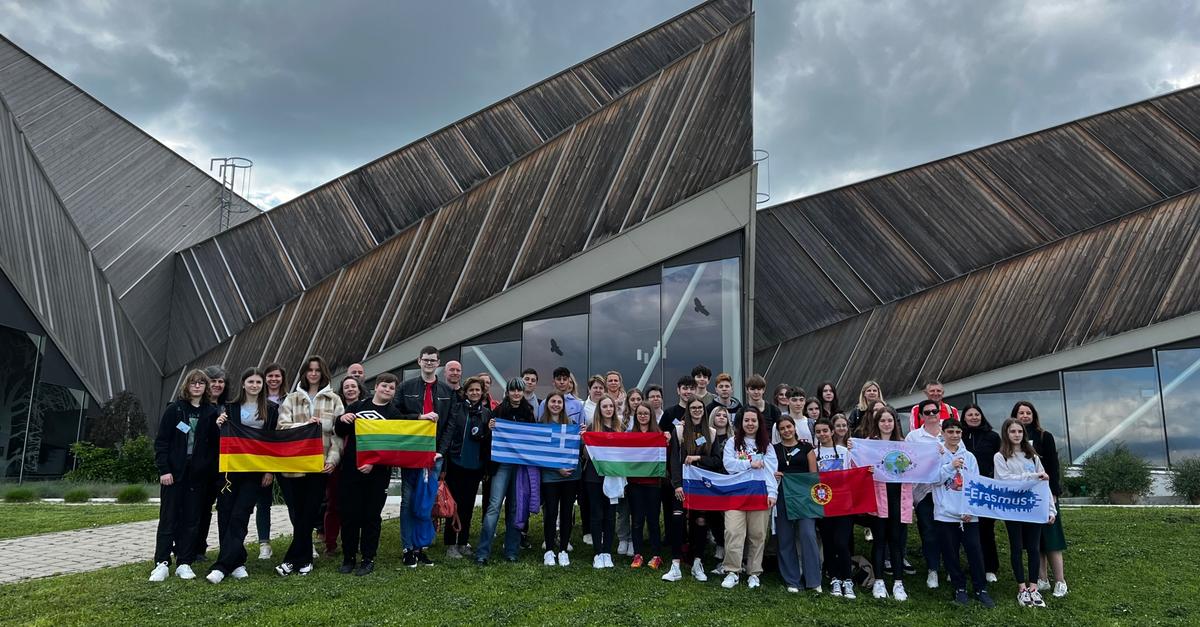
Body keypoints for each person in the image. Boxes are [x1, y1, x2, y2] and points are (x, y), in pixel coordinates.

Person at [274, 355, 344, 577]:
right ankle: (302, 559)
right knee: (299, 511)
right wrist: (306, 424)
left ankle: (293, 559)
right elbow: (282, 427)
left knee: (310, 510)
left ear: (323, 373)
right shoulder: (292, 399)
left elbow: (338, 435)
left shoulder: (334, 399)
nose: (313, 374)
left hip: (319, 464)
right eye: (309, 370)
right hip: (295, 463)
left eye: (317, 370)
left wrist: (332, 460)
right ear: (304, 372)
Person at [207, 368, 278, 583]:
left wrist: (269, 470)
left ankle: (221, 566)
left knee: (241, 514)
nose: (254, 385)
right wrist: (217, 425)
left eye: (258, 382)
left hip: (255, 471)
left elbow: (273, 441)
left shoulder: (271, 409)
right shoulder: (230, 407)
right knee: (226, 514)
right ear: (243, 384)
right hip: (230, 469)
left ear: (262, 385)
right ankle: (237, 562)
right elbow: (217, 438)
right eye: (250, 381)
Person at [149, 369, 218, 582]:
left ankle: (184, 561)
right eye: (193, 383)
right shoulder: (175, 410)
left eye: (201, 383)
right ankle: (162, 562)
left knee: (191, 519)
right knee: (169, 517)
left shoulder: (211, 412)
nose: (197, 386)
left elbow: (214, 445)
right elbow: (162, 442)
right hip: (174, 474)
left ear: (206, 387)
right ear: (187, 386)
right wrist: (164, 469)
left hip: (198, 476)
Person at [332, 374, 404, 576]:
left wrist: (374, 462)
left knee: (371, 517)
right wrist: (342, 418)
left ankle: (367, 558)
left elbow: (394, 446)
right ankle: (348, 558)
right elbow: (340, 430)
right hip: (351, 471)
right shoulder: (357, 407)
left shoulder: (393, 414)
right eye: (384, 386)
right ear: (376, 387)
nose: (387, 390)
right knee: (349, 516)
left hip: (377, 474)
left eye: (391, 387)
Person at [394, 346, 455, 567]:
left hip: (435, 456)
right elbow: (396, 416)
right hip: (412, 453)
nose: (429, 363)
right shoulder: (406, 387)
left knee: (426, 501)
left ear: (438, 363)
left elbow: (450, 424)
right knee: (408, 501)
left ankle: (420, 547)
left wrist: (442, 450)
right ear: (419, 361)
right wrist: (419, 417)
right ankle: (407, 548)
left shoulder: (447, 391)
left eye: (433, 360)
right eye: (425, 360)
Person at [994, 418, 1056, 608]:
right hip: (1013, 509)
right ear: (1006, 433)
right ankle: (1022, 588)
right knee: (1016, 546)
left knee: (1033, 548)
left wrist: (1050, 509)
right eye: (1013, 431)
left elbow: (1044, 483)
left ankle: (1034, 587)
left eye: (1019, 432)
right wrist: (1031, 476)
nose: (1016, 435)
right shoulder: (1001, 456)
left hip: (1033, 509)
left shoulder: (1033, 457)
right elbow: (1005, 481)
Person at [934, 419, 995, 608]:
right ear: (943, 433)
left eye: (958, 432)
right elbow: (933, 480)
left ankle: (980, 589)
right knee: (950, 553)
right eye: (950, 432)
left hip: (968, 514)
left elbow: (975, 483)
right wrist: (950, 466)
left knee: (975, 551)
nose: (954, 435)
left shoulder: (969, 456)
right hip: (945, 513)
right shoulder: (937, 454)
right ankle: (959, 587)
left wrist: (970, 509)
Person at [476, 378, 536, 565]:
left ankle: (511, 550)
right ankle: (483, 552)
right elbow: (487, 441)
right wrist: (490, 428)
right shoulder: (499, 410)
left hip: (520, 467)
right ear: (508, 392)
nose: (516, 394)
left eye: (519, 390)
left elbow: (533, 437)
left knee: (515, 508)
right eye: (513, 390)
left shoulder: (528, 412)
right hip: (501, 465)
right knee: (494, 507)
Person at [1013, 401, 1068, 598]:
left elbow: (1053, 465)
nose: (1025, 416)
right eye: (1021, 413)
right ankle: (1042, 578)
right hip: (1026, 498)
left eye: (1028, 412)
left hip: (1045, 494)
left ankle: (1060, 580)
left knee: (1052, 537)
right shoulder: (1013, 440)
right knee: (1035, 539)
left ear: (1034, 415)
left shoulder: (1045, 436)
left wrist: (1053, 493)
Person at [719, 406, 777, 589]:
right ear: (741, 422)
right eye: (747, 420)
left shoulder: (767, 446)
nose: (750, 424)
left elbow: (770, 471)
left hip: (760, 495)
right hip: (736, 493)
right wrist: (750, 464)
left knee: (757, 535)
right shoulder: (732, 443)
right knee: (733, 532)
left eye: (754, 420)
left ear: (759, 423)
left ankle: (754, 573)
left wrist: (772, 493)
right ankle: (732, 571)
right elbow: (728, 464)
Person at [664, 397, 715, 583]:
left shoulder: (711, 433)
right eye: (693, 407)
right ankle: (675, 564)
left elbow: (716, 460)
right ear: (688, 410)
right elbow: (674, 461)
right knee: (677, 520)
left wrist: (697, 458)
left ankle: (697, 563)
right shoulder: (678, 431)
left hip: (701, 486)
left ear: (704, 410)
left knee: (700, 522)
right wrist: (677, 484)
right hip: (681, 485)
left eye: (699, 407)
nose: (696, 410)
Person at [865, 407, 913, 601]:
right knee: (879, 541)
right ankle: (878, 581)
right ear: (877, 423)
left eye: (890, 420)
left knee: (896, 541)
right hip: (878, 499)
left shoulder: (904, 445)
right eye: (882, 420)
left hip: (899, 498)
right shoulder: (868, 445)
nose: (886, 424)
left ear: (895, 423)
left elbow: (918, 467)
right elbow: (856, 467)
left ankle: (898, 583)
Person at [442, 377, 491, 559]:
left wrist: (489, 430)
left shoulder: (486, 413)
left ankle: (463, 542)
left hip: (475, 466)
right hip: (456, 463)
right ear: (466, 391)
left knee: (468, 506)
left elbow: (487, 442)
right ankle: (450, 544)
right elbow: (449, 433)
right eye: (471, 390)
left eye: (478, 390)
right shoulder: (457, 409)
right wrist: (444, 459)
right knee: (453, 505)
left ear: (482, 392)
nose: (475, 393)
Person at [773, 415, 822, 594]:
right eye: (782, 428)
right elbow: (770, 470)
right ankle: (792, 580)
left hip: (804, 497)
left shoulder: (806, 447)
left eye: (789, 427)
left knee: (808, 535)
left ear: (794, 427)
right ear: (778, 432)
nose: (786, 431)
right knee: (785, 538)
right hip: (782, 496)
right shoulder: (774, 449)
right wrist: (775, 474)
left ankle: (814, 579)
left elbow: (813, 475)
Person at [907, 398, 946, 589]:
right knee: (928, 530)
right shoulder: (914, 437)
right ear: (921, 416)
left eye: (935, 411)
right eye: (927, 412)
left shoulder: (949, 433)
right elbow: (908, 462)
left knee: (947, 530)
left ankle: (949, 565)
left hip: (947, 490)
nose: (932, 415)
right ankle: (932, 569)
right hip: (924, 491)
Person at [322, 376, 362, 558]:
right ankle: (330, 542)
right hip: (337, 462)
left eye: (353, 386)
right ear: (342, 390)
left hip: (359, 462)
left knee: (358, 503)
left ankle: (356, 541)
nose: (350, 389)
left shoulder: (366, 408)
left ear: (359, 389)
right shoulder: (335, 409)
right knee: (334, 503)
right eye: (347, 387)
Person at [192, 365, 228, 562]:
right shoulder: (200, 407)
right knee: (199, 507)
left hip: (222, 466)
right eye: (213, 381)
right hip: (202, 465)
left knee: (213, 509)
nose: (217, 385)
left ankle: (202, 548)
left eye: (220, 381)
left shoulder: (227, 407)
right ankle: (193, 547)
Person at [813, 418, 853, 597]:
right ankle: (835, 579)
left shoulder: (845, 451)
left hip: (844, 504)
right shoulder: (814, 454)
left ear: (832, 431)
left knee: (842, 543)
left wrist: (867, 472)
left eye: (825, 431)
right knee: (828, 543)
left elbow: (854, 472)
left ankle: (848, 579)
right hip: (824, 503)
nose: (822, 434)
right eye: (818, 431)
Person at [962, 404, 1002, 583]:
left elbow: (1000, 460)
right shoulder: (959, 435)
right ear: (964, 417)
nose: (973, 417)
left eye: (977, 414)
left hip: (985, 488)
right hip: (963, 488)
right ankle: (973, 565)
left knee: (986, 529)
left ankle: (990, 567)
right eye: (970, 415)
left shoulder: (993, 436)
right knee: (969, 529)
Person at [539, 392, 579, 567]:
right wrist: (557, 468)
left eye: (559, 402)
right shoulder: (541, 425)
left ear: (563, 405)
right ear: (547, 404)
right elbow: (540, 453)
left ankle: (563, 549)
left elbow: (578, 449)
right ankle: (549, 550)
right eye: (553, 401)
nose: (556, 404)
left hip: (570, 477)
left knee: (566, 513)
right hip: (550, 476)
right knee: (551, 512)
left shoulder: (572, 425)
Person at [626, 402, 667, 572]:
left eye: (646, 413)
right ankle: (638, 554)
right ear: (636, 416)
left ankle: (656, 555)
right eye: (640, 413)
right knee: (636, 520)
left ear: (651, 416)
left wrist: (667, 440)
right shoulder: (629, 435)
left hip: (653, 484)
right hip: (635, 483)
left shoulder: (658, 434)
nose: (643, 416)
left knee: (653, 520)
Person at [583, 397, 623, 568]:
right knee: (597, 514)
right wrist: (584, 439)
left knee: (610, 515)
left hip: (614, 477)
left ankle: (607, 552)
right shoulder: (592, 427)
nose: (608, 409)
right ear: (599, 409)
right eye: (604, 406)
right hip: (594, 477)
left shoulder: (620, 429)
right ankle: (598, 553)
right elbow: (586, 455)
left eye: (610, 406)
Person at [257, 362, 287, 559]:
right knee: (263, 502)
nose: (273, 379)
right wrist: (267, 467)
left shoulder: (290, 399)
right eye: (270, 376)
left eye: (277, 376)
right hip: (263, 457)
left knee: (295, 502)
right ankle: (264, 543)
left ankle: (304, 541)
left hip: (286, 456)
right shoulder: (257, 401)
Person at [706, 405, 732, 566]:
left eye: (724, 415)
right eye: (718, 415)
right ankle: (720, 544)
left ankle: (731, 547)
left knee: (729, 517)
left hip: (729, 481)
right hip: (711, 480)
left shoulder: (734, 438)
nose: (721, 417)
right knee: (713, 515)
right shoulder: (706, 436)